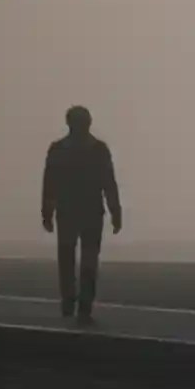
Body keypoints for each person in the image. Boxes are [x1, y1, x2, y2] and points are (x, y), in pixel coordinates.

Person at [41, 106, 122, 322]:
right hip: (88, 213)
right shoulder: (97, 149)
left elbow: (50, 184)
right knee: (86, 260)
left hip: (72, 212)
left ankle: (72, 302)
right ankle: (81, 304)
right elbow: (109, 183)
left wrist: (47, 213)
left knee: (70, 260)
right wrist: (115, 211)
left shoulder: (60, 149)